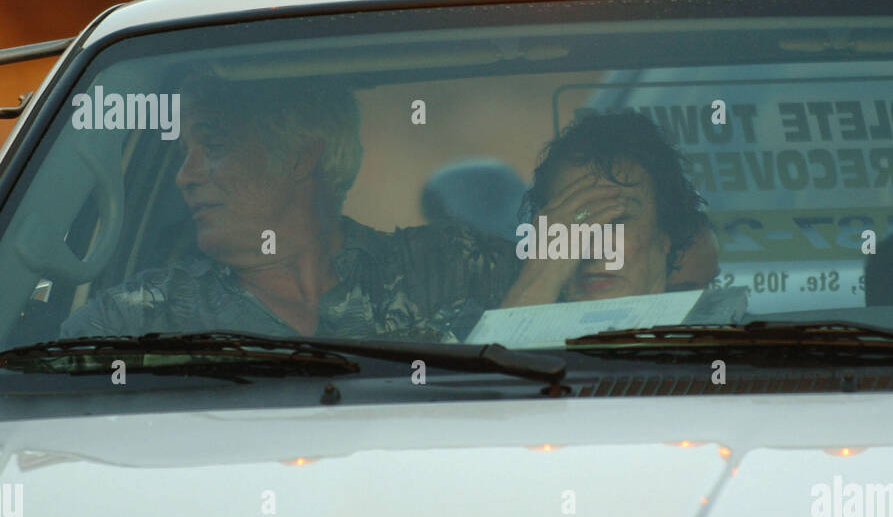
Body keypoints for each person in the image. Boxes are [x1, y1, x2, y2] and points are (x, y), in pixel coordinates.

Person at [61, 71, 520, 342]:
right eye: (183, 154)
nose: (186, 175)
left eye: (214, 145)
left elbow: (575, 321)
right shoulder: (139, 316)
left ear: (301, 156)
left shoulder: (450, 266)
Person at [500, 111, 744, 321]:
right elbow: (492, 373)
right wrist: (537, 283)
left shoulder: (722, 347)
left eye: (616, 221)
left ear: (665, 232)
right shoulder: (472, 339)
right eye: (574, 222)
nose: (592, 249)